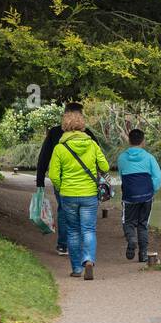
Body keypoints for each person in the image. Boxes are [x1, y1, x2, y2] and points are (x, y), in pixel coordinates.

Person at [47, 109, 110, 280]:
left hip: (68, 194)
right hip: (89, 194)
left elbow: (53, 175)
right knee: (88, 229)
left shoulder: (60, 148)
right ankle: (88, 259)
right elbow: (104, 167)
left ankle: (76, 268)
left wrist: (61, 188)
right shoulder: (92, 145)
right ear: (82, 125)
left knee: (73, 231)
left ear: (65, 126)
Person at [35, 102, 98, 257]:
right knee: (85, 215)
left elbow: (44, 157)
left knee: (64, 210)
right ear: (81, 115)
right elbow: (99, 160)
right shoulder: (88, 135)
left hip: (63, 181)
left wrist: (40, 180)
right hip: (85, 182)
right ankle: (84, 250)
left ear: (65, 114)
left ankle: (64, 246)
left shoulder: (55, 133)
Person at [117, 128, 161, 262]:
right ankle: (143, 255)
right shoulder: (149, 157)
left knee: (128, 222)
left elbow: (122, 176)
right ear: (143, 141)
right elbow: (158, 178)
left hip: (129, 195)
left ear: (129, 141)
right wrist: (151, 190)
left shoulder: (122, 158)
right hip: (146, 196)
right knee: (143, 225)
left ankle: (131, 240)